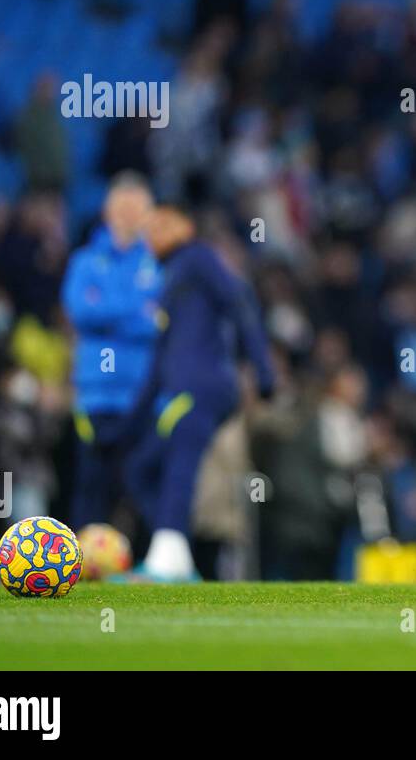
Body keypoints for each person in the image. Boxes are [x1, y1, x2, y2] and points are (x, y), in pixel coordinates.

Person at [123, 204, 275, 580]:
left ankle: (169, 558)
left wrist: (263, 370)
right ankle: (175, 550)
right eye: (149, 226)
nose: (152, 233)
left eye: (161, 223)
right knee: (141, 468)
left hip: (203, 386)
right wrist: (130, 420)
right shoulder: (170, 276)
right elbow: (160, 356)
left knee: (180, 462)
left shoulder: (197, 258)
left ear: (184, 225)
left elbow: (238, 300)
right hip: (183, 391)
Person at [60, 172, 161, 528]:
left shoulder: (158, 262)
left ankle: (150, 573)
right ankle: (81, 569)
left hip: (145, 397)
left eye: (139, 207)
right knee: (92, 487)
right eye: (124, 206)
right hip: (96, 396)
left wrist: (108, 310)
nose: (131, 215)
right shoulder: (85, 262)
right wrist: (136, 310)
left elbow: (162, 321)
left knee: (145, 491)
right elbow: (81, 313)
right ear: (108, 210)